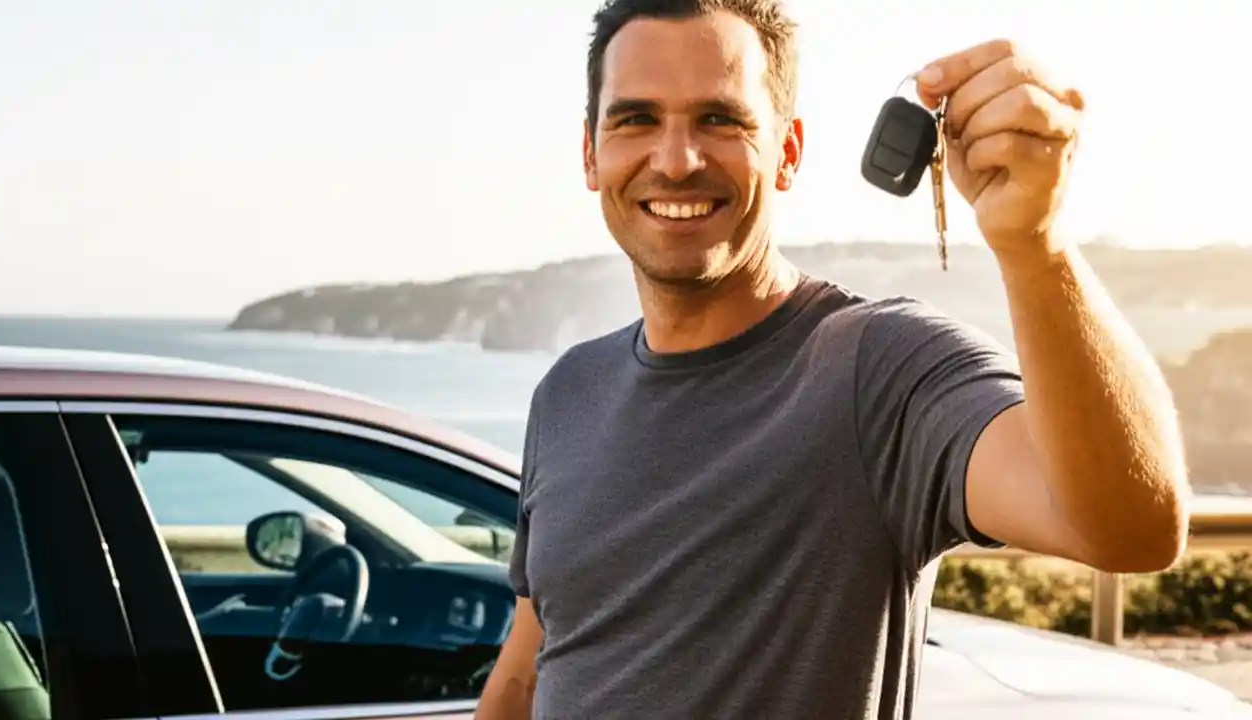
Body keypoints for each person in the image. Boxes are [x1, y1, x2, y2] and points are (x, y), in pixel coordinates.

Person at [476, 1, 1191, 718]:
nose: (675, 160)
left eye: (720, 120)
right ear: (590, 155)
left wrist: (1038, 245)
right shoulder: (568, 392)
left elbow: (1131, 527)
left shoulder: (880, 370)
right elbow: (529, 668)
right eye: (636, 119)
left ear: (787, 152)